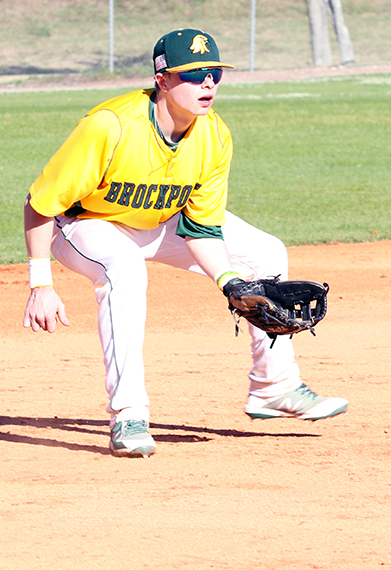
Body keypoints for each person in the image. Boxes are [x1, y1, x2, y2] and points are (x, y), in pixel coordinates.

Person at [22, 28, 347, 458]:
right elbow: (39, 203)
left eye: (214, 73)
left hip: (160, 220)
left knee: (265, 253)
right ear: (162, 79)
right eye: (193, 74)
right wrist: (40, 284)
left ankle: (274, 386)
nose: (207, 83)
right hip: (87, 224)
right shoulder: (111, 126)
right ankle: (128, 414)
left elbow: (203, 228)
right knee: (124, 268)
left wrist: (230, 281)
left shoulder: (214, 135)